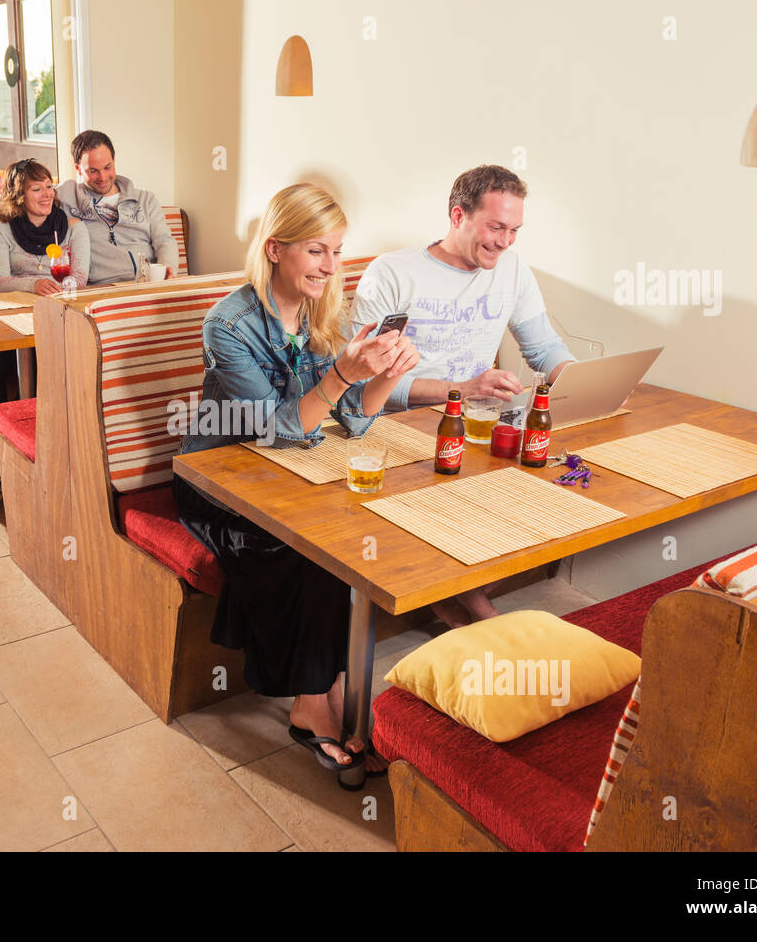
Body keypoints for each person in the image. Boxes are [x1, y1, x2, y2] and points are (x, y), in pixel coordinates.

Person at [175, 183, 419, 776]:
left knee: (344, 531)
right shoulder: (227, 325)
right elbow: (276, 429)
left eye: (337, 251)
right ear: (277, 249)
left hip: (290, 469)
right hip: (222, 476)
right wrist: (338, 375)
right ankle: (314, 703)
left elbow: (354, 421)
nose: (331, 266)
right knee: (303, 547)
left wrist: (385, 374)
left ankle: (331, 690)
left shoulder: (323, 312)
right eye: (317, 251)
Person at [351, 163, 576, 622]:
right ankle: (472, 612)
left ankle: (456, 600)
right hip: (395, 426)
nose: (504, 241)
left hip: (475, 424)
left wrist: (579, 379)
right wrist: (462, 387)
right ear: (458, 217)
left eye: (514, 230)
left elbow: (543, 346)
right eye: (495, 226)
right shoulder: (392, 272)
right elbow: (361, 387)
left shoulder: (512, 269)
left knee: (563, 478)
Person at [0, 159, 90, 513]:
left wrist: (64, 283)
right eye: (36, 189)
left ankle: (50, 464)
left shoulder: (71, 228)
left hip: (57, 317)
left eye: (49, 186)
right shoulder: (2, 229)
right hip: (8, 316)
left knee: (57, 365)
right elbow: (0, 281)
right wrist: (33, 283)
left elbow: (80, 277)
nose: (46, 194)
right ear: (19, 196)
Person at [0, 130, 178, 285]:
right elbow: (12, 200)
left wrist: (168, 270)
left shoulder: (145, 199)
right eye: (92, 170)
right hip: (104, 289)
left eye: (108, 167)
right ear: (78, 168)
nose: (102, 177)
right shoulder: (65, 195)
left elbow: (165, 240)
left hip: (151, 285)